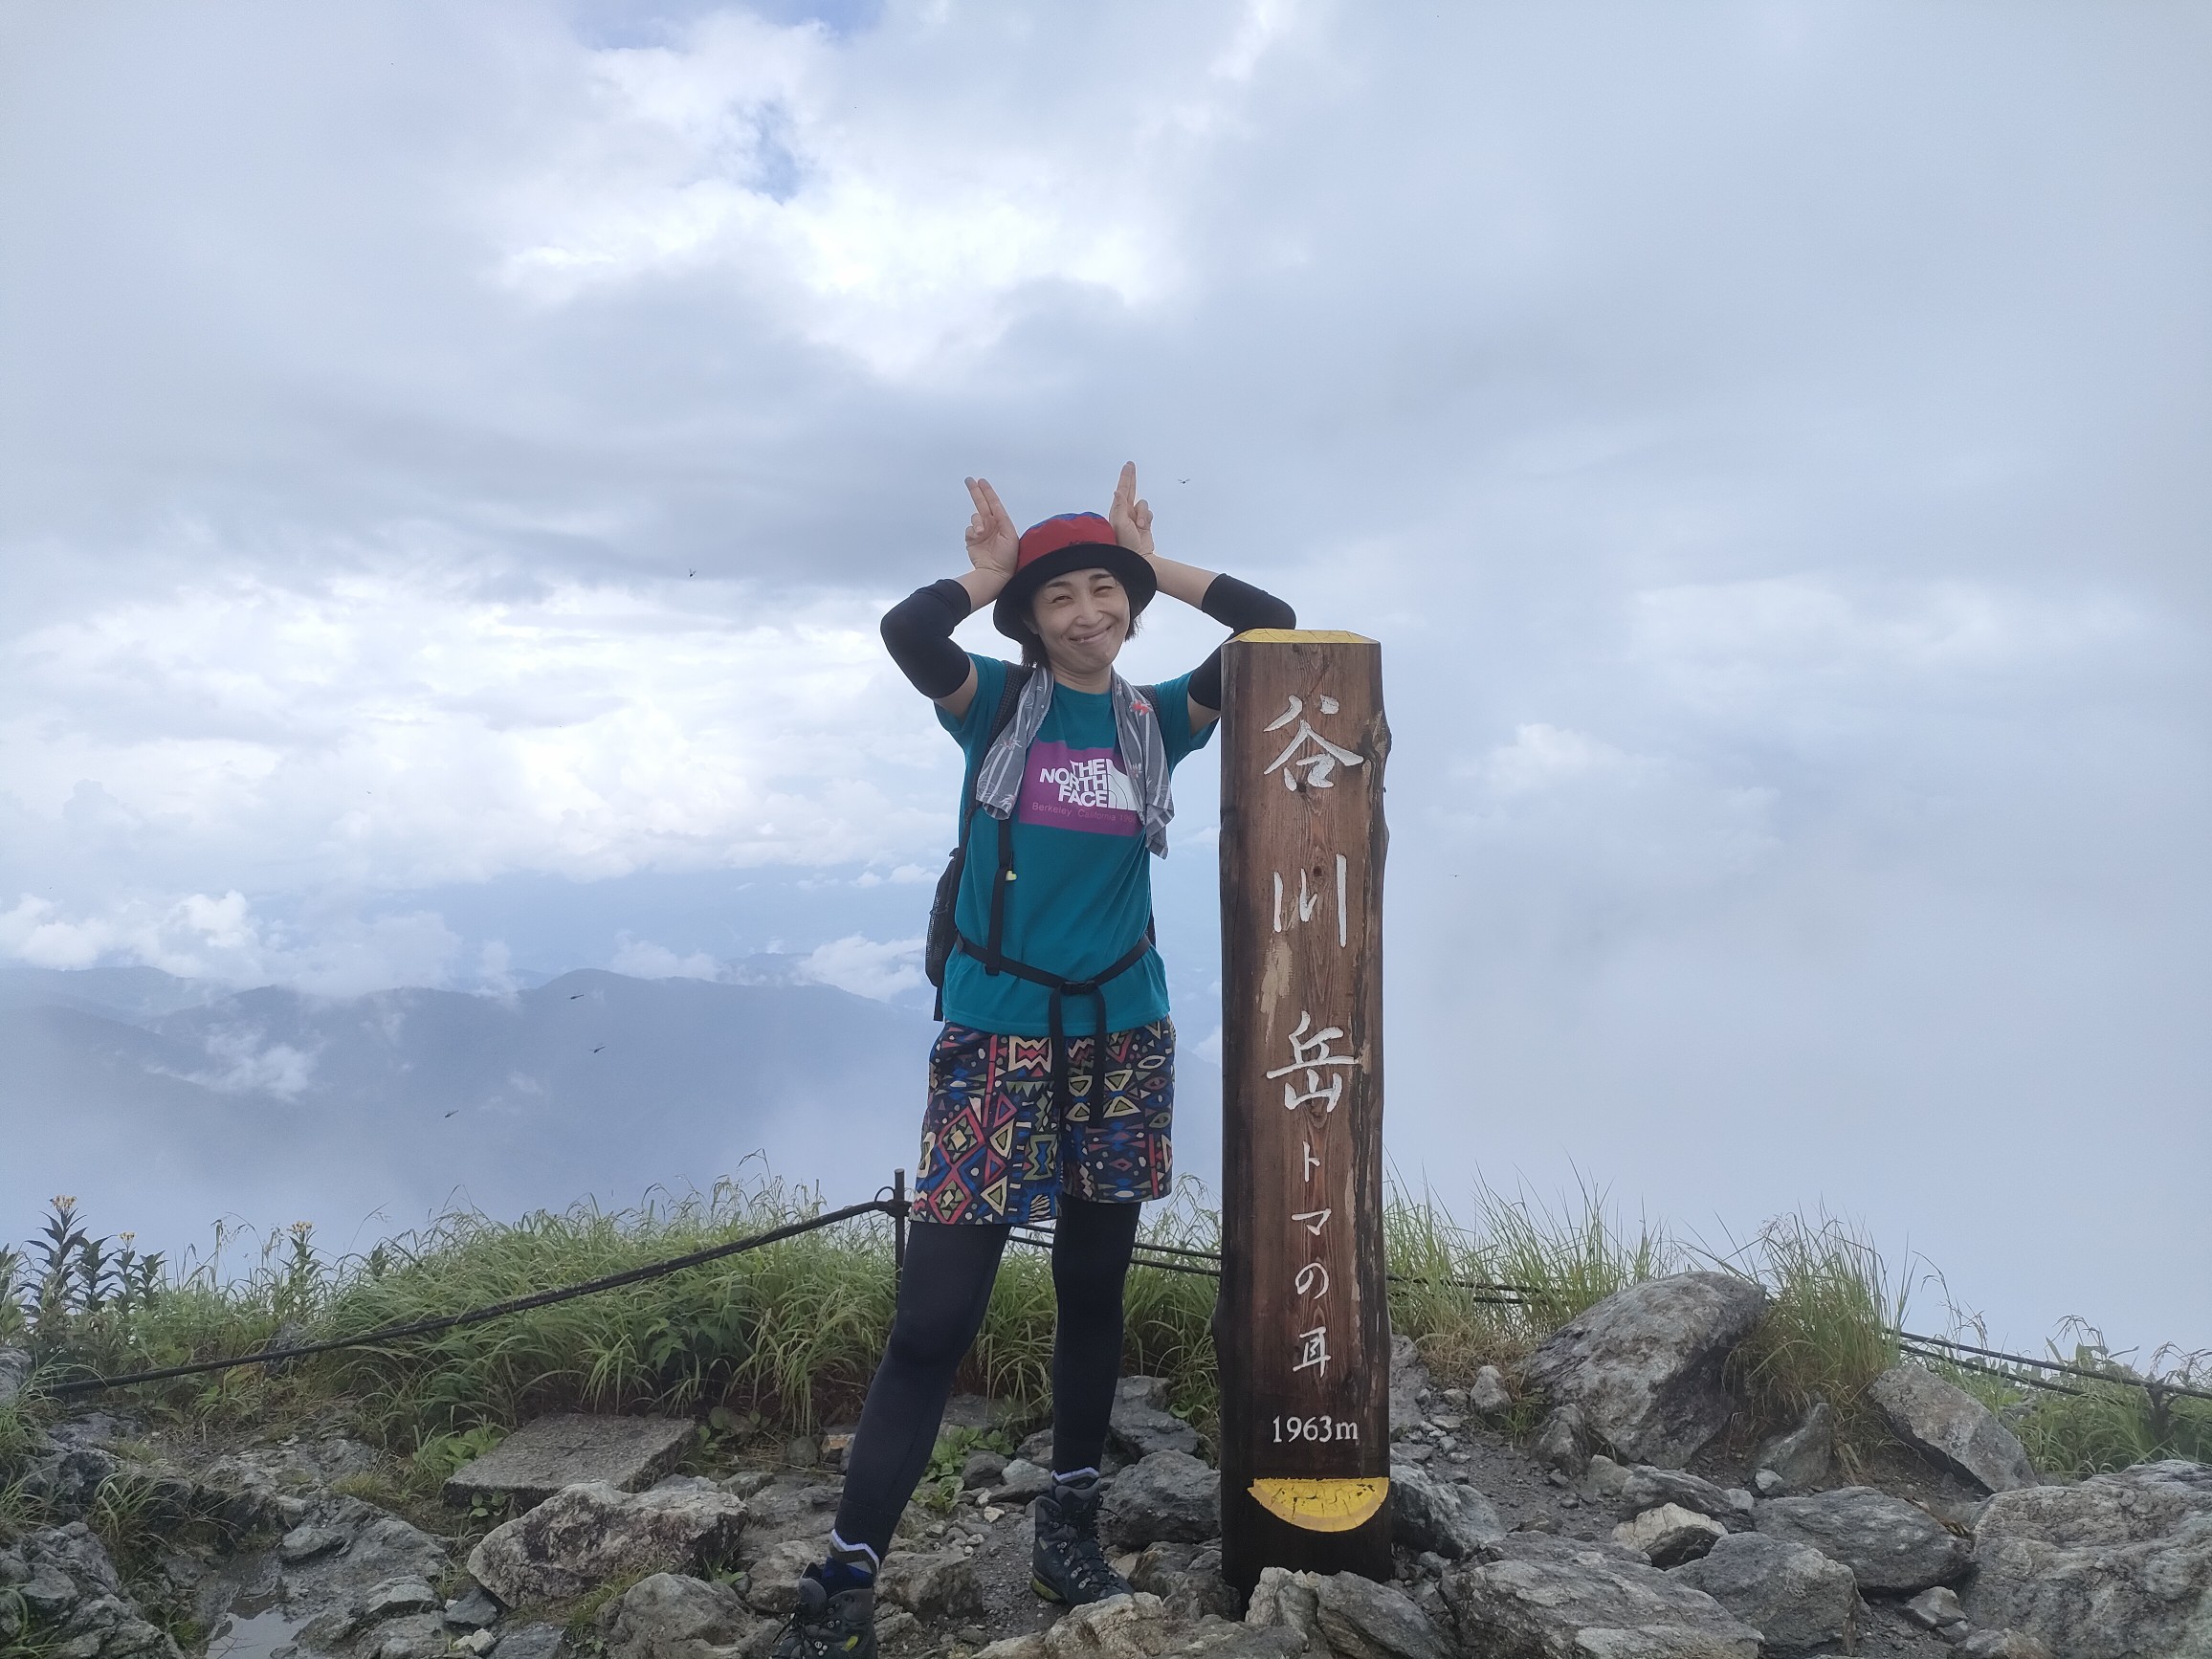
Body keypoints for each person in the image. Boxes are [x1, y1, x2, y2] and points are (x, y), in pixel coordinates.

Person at [770, 465, 1295, 1659]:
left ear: (1130, 606)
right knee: (933, 1318)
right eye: (1059, 600)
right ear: (1028, 619)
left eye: (1103, 593)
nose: (1085, 613)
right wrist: (996, 570)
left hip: (1120, 1033)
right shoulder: (994, 706)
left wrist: (1147, 557)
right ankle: (846, 1575)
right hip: (996, 1035)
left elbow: (1273, 630)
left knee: (1091, 1291)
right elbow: (908, 629)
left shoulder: (1158, 721)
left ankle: (1067, 1511)